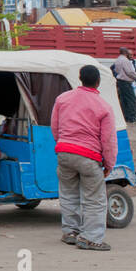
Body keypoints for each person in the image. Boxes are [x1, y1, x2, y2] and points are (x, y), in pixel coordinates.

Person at [50, 64, 118, 251]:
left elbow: (55, 127)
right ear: (98, 82)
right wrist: (109, 164)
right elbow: (108, 139)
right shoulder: (104, 106)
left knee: (68, 193)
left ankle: (70, 232)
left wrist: (63, 145)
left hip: (64, 151)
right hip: (89, 156)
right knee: (94, 199)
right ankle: (91, 238)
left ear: (80, 78)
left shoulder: (62, 99)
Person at [112, 48, 136, 123]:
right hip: (126, 82)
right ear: (125, 53)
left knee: (123, 100)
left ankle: (126, 117)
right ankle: (132, 117)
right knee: (131, 100)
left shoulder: (118, 60)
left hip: (120, 81)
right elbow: (130, 72)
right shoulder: (125, 60)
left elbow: (116, 70)